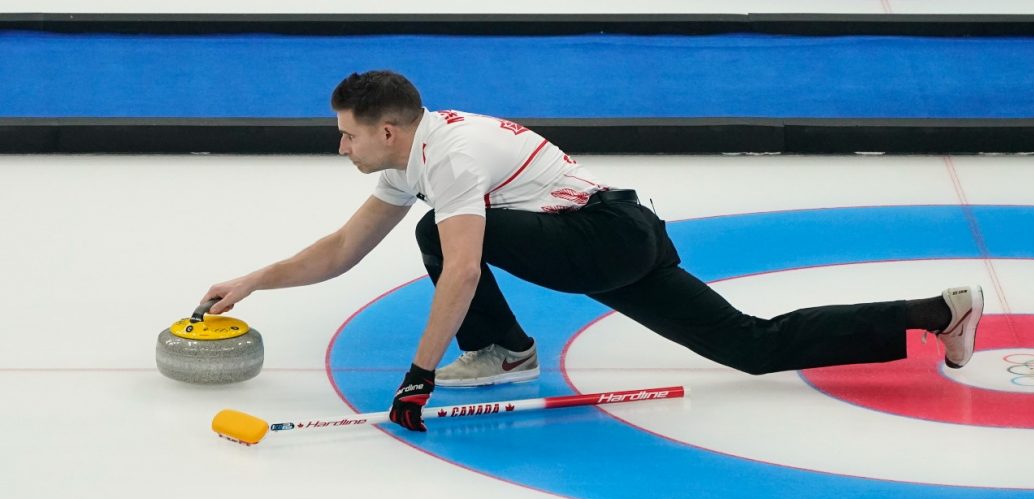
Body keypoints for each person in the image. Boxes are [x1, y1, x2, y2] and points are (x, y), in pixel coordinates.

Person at [203, 70, 984, 432]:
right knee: (749, 345)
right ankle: (933, 313)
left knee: (439, 234)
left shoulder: (450, 158)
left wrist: (419, 376)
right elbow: (343, 249)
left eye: (345, 133)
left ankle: (506, 351)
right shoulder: (421, 153)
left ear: (387, 130)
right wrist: (254, 281)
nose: (338, 146)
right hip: (621, 236)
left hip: (602, 238)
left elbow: (465, 263)